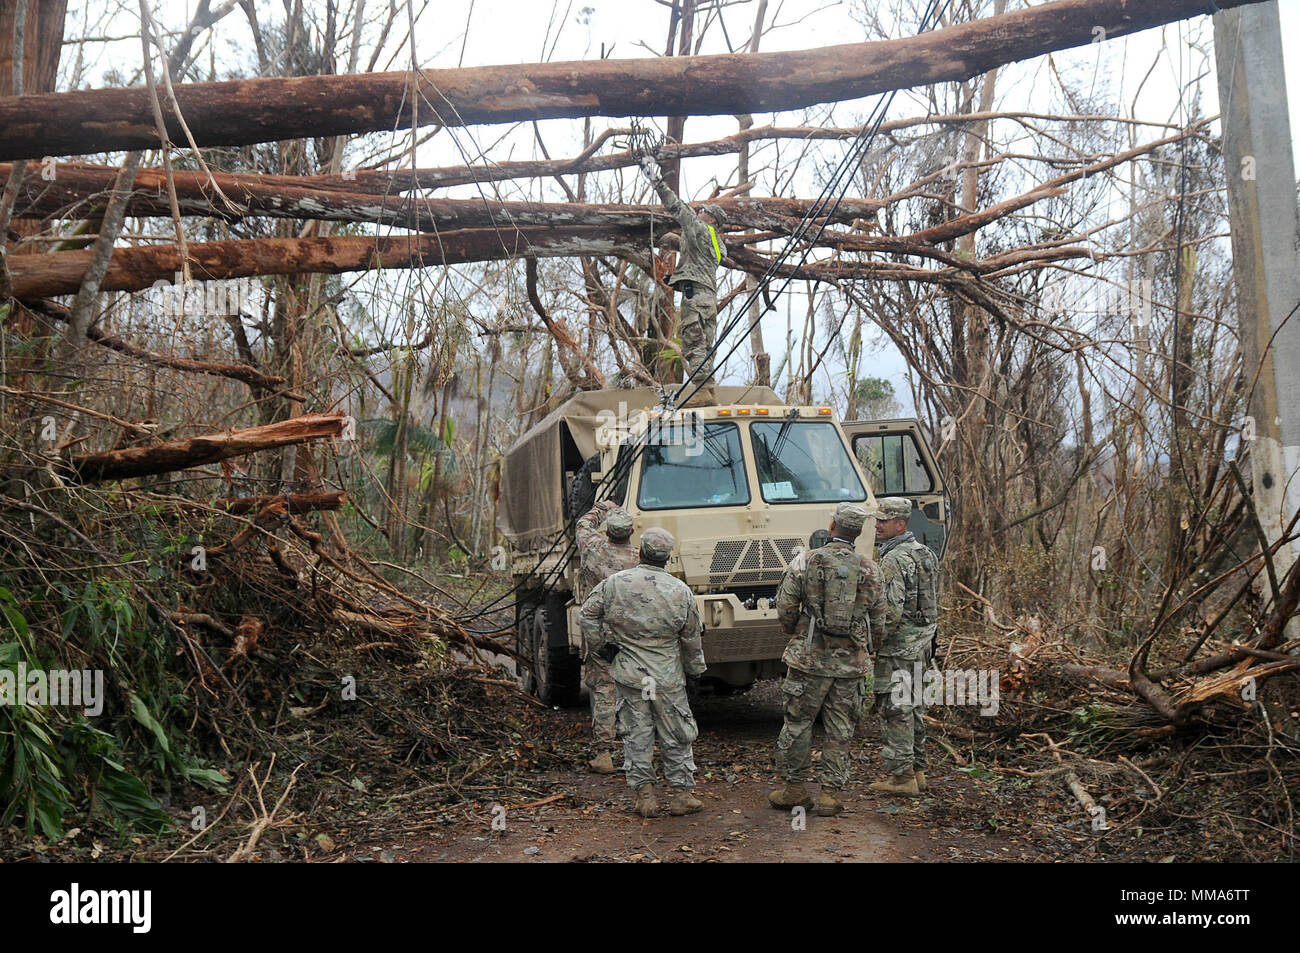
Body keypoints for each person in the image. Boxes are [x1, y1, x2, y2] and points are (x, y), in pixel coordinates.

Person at [580, 527, 707, 818]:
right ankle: (680, 795)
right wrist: (695, 672)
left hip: (630, 674)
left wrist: (602, 647)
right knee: (677, 734)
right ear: (667, 557)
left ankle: (646, 798)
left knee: (637, 734)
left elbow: (586, 614)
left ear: (642, 552)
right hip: (666, 676)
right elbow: (691, 639)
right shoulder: (680, 590)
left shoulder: (615, 584)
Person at [769, 502, 885, 817]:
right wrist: (867, 648)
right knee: (841, 728)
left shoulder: (805, 562)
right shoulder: (871, 570)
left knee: (798, 722)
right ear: (859, 533)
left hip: (808, 661)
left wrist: (796, 632)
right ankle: (830, 795)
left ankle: (794, 789)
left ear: (832, 526)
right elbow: (880, 621)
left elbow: (785, 607)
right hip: (850, 665)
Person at [636, 151, 728, 407]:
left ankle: (700, 392)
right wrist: (675, 278)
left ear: (711, 219)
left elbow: (676, 205)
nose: (699, 211)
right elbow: (697, 266)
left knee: (693, 342)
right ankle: (708, 391)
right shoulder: (717, 244)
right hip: (708, 299)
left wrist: (653, 178)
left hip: (696, 298)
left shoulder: (699, 229)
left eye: (704, 211)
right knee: (705, 346)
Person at [868, 497, 939, 797]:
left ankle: (901, 777)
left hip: (900, 648)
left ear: (901, 523)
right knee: (914, 707)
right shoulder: (925, 553)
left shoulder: (893, 559)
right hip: (923, 643)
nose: (878, 525)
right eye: (878, 519)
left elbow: (891, 612)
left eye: (885, 521)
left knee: (896, 708)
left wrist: (874, 642)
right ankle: (918, 772)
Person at [574, 501, 640, 774]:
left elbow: (582, 525)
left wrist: (603, 507)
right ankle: (637, 752)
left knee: (604, 690)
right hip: (633, 635)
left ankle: (604, 754)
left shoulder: (594, 549)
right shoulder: (640, 558)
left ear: (608, 533)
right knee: (637, 691)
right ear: (631, 532)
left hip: (599, 633)